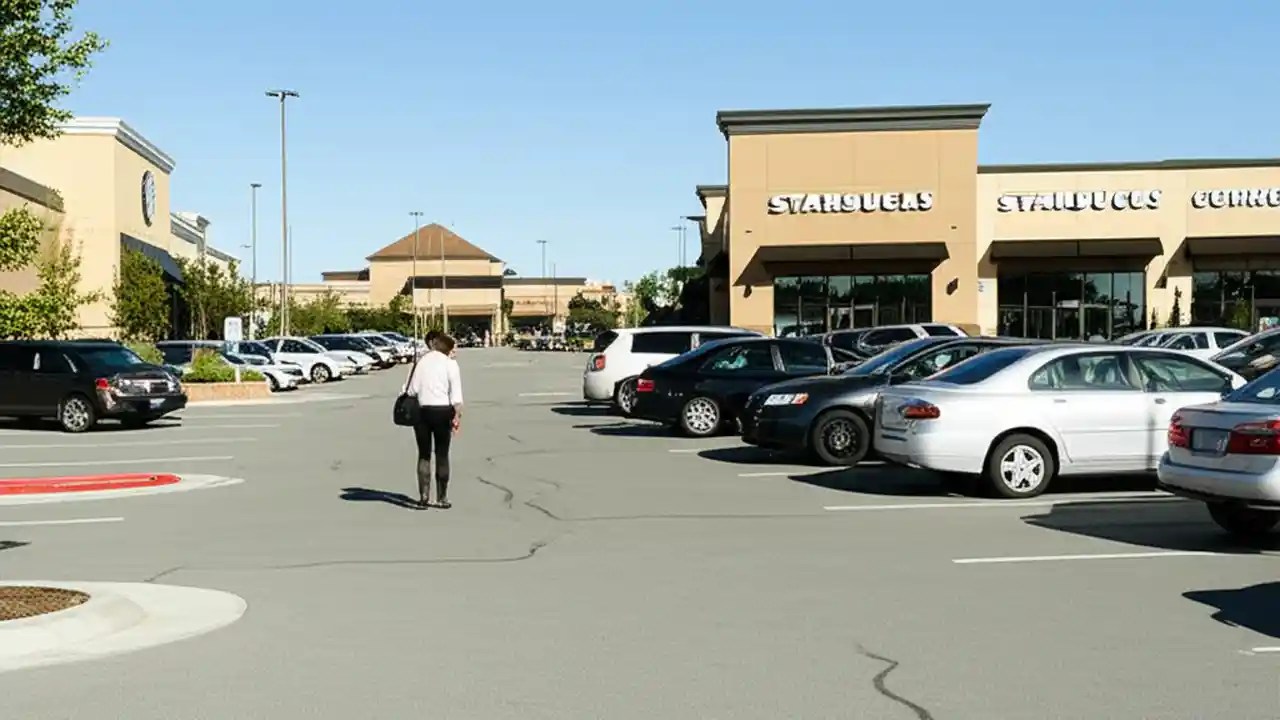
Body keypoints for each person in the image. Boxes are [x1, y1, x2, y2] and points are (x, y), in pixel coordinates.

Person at [403, 333, 464, 509]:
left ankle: (423, 497)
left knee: (424, 454)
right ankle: (442, 497)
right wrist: (457, 415)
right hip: (443, 410)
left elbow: (412, 390)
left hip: (422, 411)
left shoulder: (421, 362)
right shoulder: (450, 364)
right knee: (442, 454)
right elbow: (456, 395)